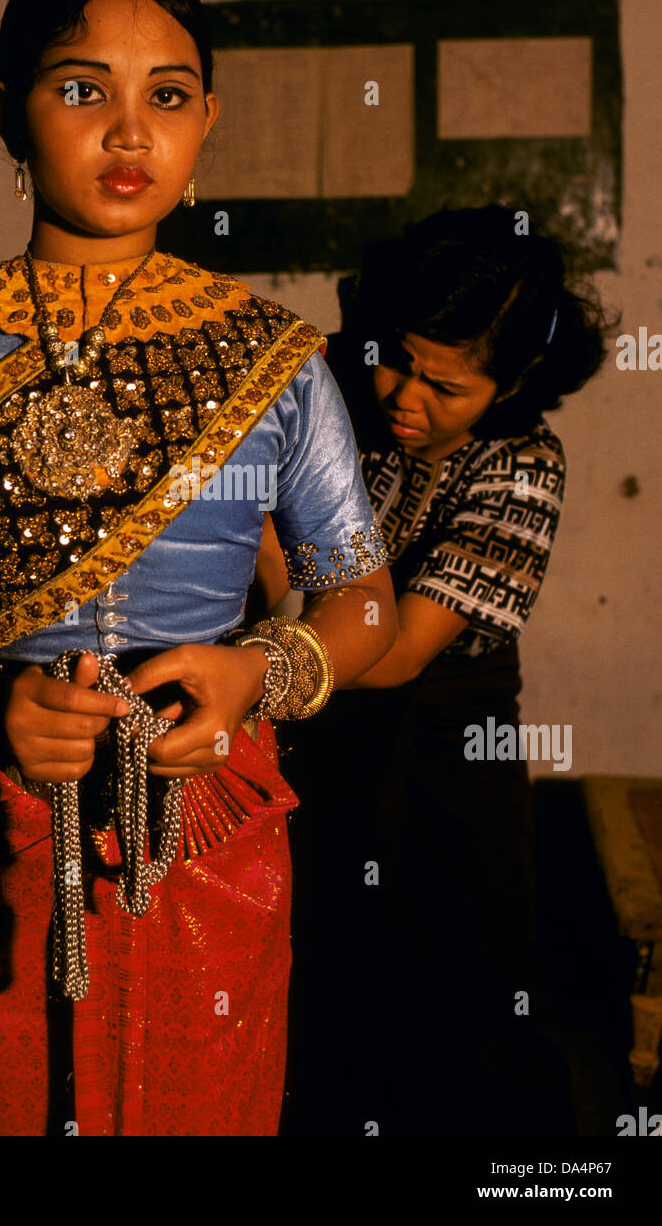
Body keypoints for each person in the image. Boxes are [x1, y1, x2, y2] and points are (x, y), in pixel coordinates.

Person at [0, 0, 396, 1138]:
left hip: (211, 816)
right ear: (5, 113)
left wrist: (255, 671)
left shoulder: (274, 356)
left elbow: (363, 602)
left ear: (207, 120)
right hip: (2, 836)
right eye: (81, 90)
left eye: (166, 96)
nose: (130, 133)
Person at [273, 205, 612, 1136]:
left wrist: (266, 639)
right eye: (395, 359)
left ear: (513, 384)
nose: (402, 398)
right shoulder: (335, 388)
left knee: (470, 989)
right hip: (320, 731)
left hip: (443, 742)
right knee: (327, 984)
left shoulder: (522, 467)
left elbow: (393, 653)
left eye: (445, 387)